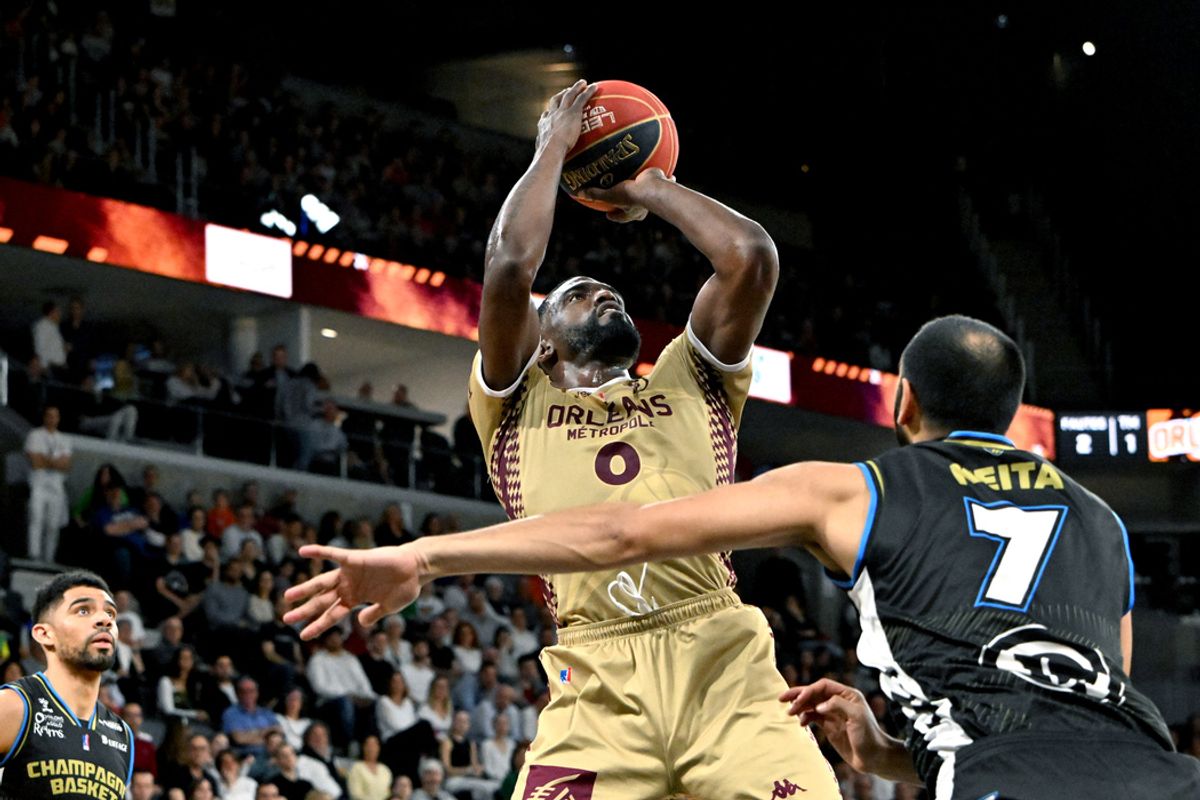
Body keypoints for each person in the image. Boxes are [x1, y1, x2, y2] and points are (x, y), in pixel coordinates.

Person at [285, 316, 1200, 799]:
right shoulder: (1106, 525)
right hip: (1161, 771)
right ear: (1010, 413)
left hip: (1009, 786)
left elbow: (618, 533)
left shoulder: (856, 487)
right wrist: (885, 755)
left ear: (902, 402)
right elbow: (1074, 709)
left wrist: (426, 556)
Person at [411, 78, 828, 798]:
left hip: (723, 667)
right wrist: (552, 149)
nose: (605, 295)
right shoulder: (515, 406)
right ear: (540, 346)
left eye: (613, 294)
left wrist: (649, 187)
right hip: (596, 680)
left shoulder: (688, 379)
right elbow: (510, 266)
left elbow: (750, 258)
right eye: (577, 295)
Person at [0, 571, 135, 798]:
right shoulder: (15, 706)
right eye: (83, 610)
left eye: (110, 612)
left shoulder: (122, 736)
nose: (105, 620)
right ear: (45, 634)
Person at [25, 405, 72, 562]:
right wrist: (54, 462)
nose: (52, 419)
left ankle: (49, 558)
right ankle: (34, 555)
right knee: (36, 518)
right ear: (44, 417)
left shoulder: (64, 439)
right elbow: (35, 462)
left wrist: (44, 459)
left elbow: (66, 465)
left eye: (55, 416)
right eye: (49, 415)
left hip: (56, 487)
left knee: (53, 524)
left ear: (58, 419)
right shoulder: (35, 435)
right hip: (39, 484)